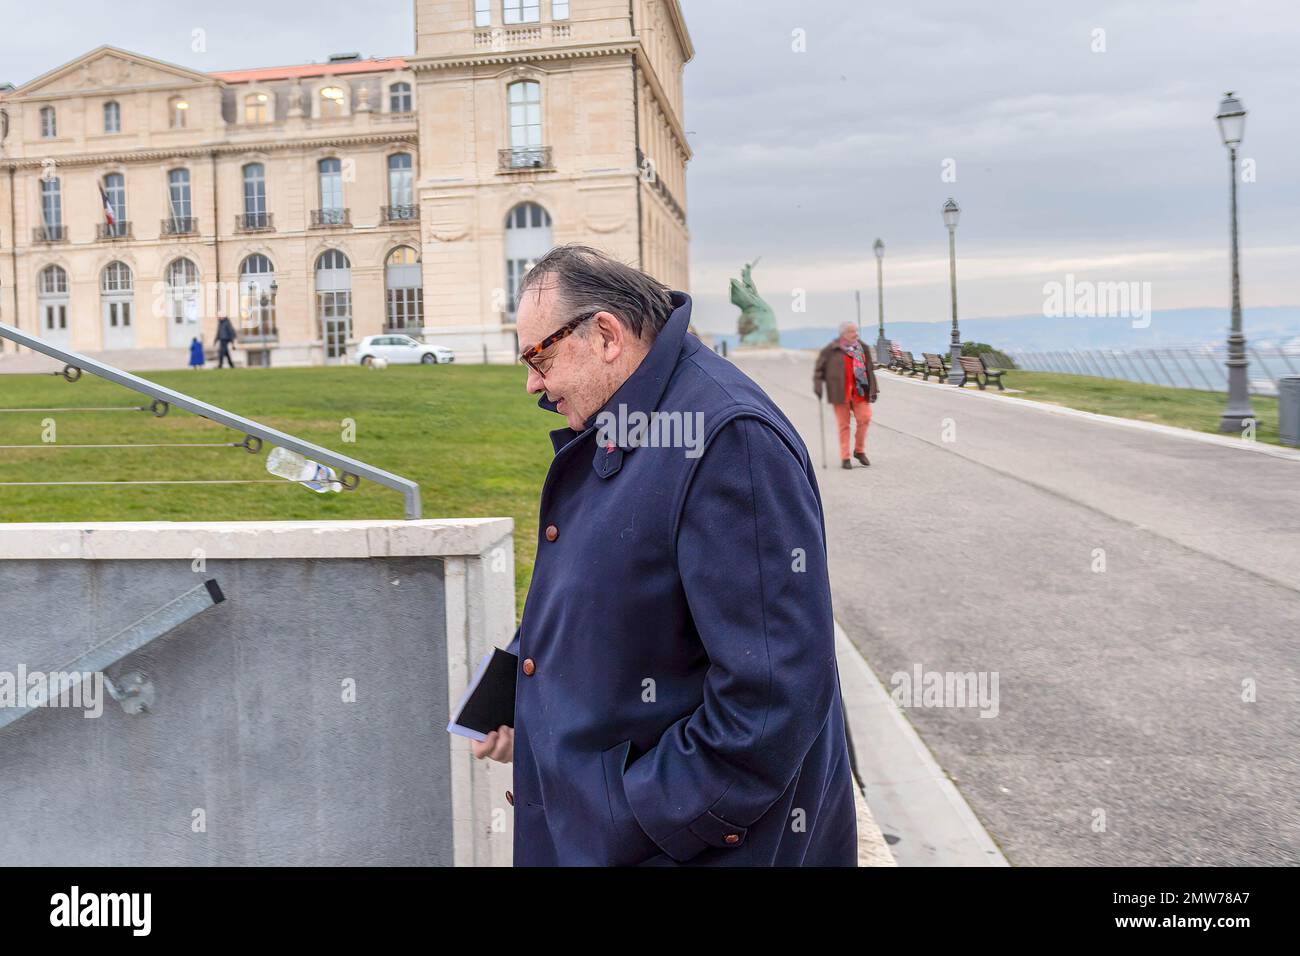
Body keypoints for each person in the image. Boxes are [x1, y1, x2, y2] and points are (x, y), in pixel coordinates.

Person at [472, 244, 857, 867]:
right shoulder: (629, 415)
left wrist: (628, 816)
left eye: (538, 356)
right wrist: (525, 691)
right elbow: (618, 587)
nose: (532, 384)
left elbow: (770, 701)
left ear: (605, 335)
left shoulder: (729, 439)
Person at [813, 321, 878, 469]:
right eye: (852, 331)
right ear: (843, 334)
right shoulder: (831, 350)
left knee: (865, 417)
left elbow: (869, 370)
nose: (856, 334)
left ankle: (859, 450)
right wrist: (818, 386)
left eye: (856, 331)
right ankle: (845, 457)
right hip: (839, 393)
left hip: (860, 391)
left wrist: (874, 390)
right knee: (844, 425)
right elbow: (819, 369)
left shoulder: (863, 348)